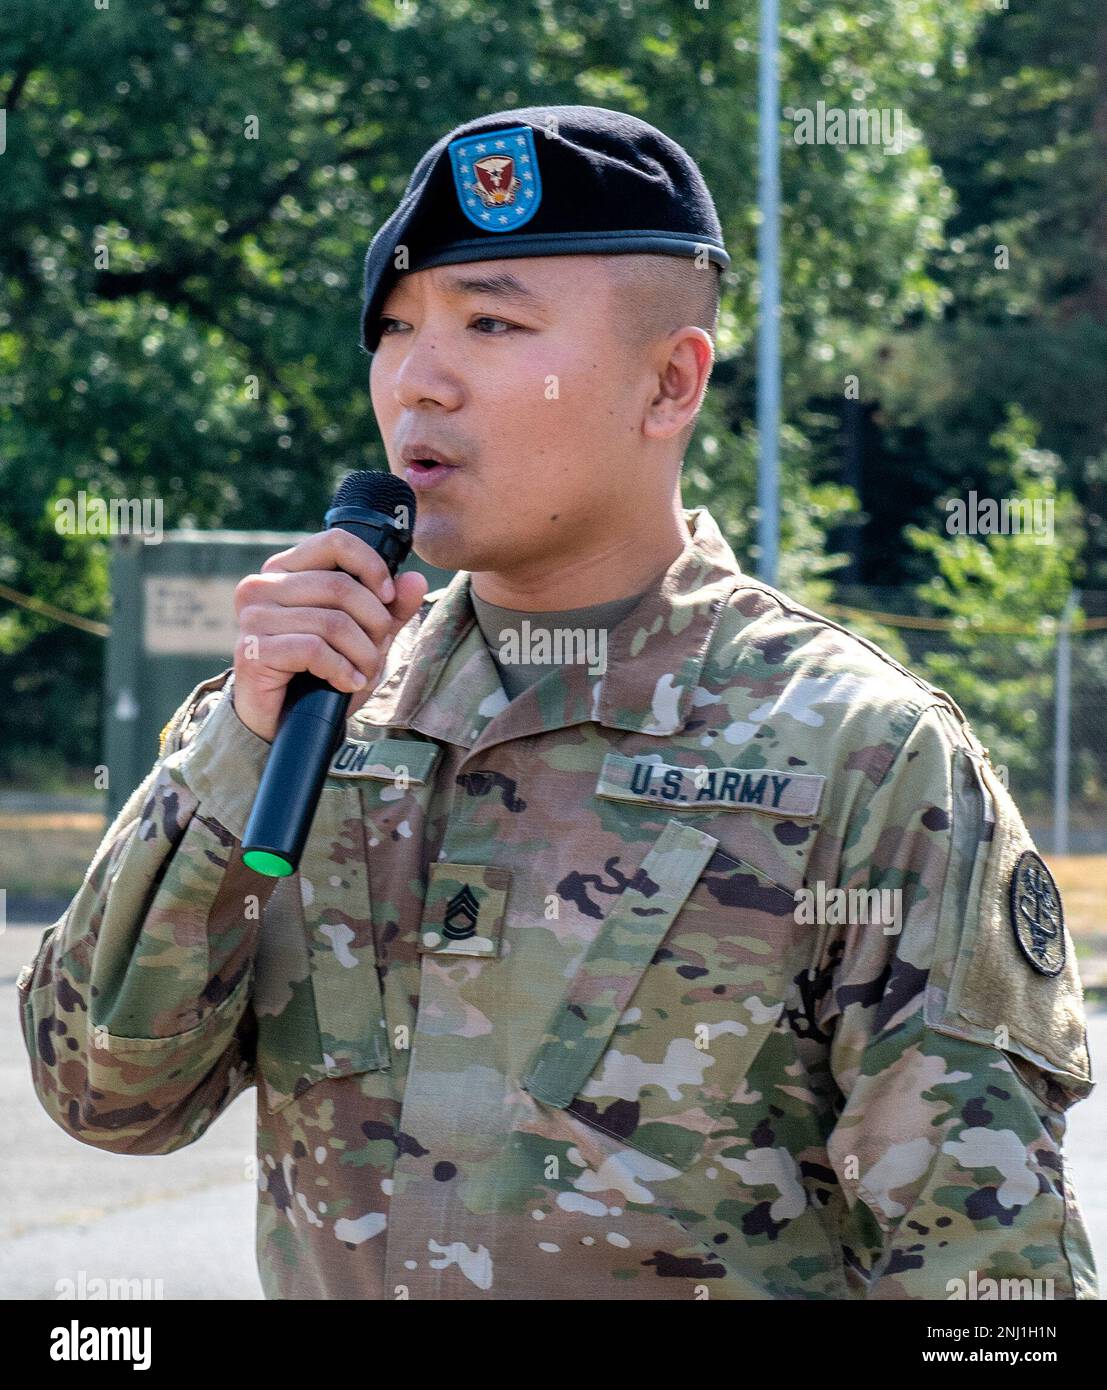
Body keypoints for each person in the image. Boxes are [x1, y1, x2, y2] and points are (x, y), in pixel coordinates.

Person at [18, 105, 1096, 1301]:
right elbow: (107, 1093)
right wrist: (237, 746)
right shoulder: (313, 717)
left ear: (669, 383)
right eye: (395, 330)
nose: (418, 382)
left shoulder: (861, 755)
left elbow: (991, 1284)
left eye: (490, 323)